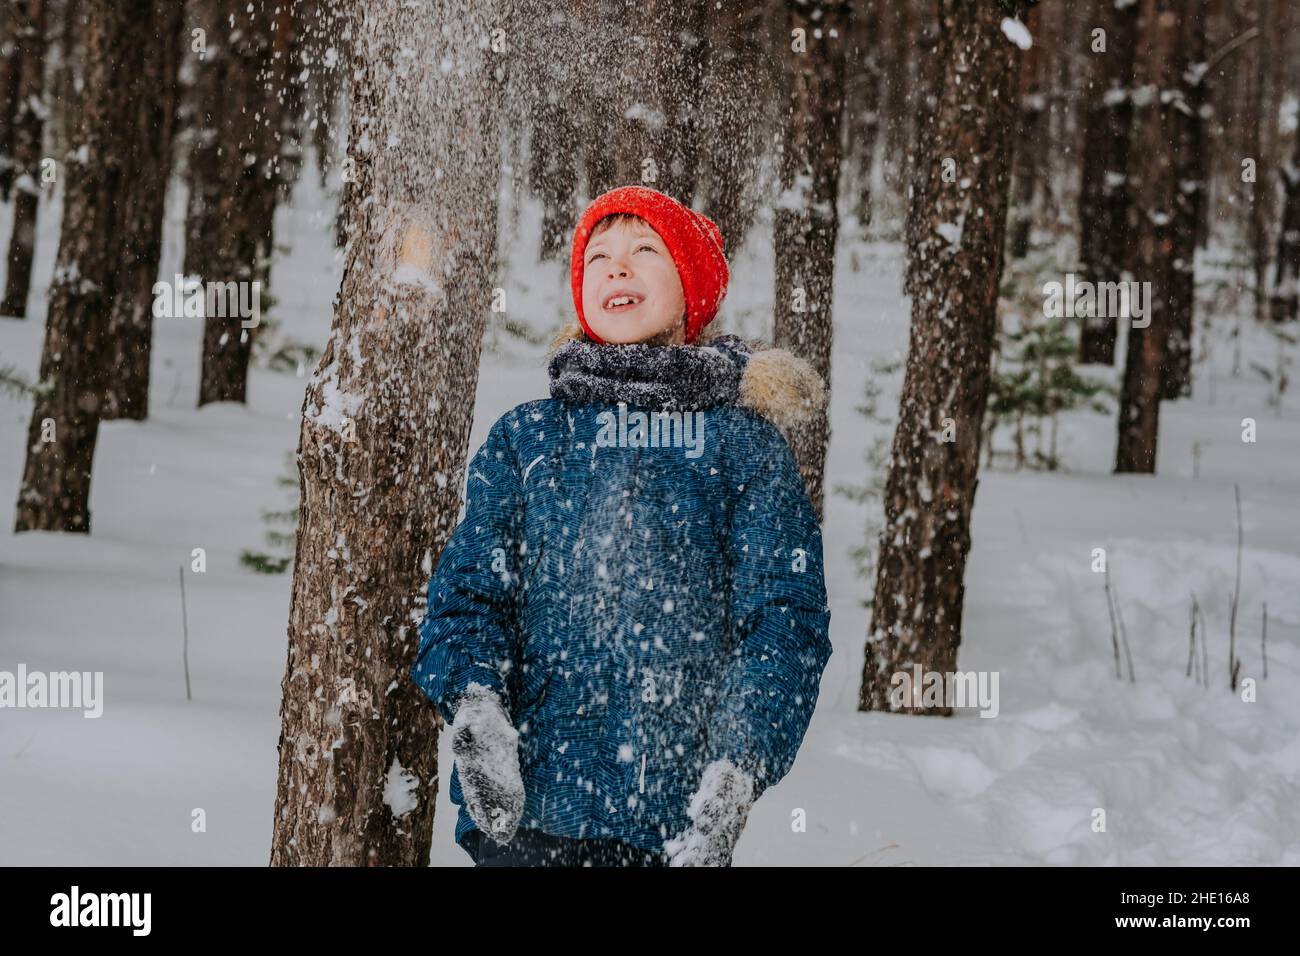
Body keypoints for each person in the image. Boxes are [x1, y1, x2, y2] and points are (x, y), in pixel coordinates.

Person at [411, 185, 832, 867]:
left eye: (645, 251)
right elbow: (467, 597)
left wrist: (737, 764)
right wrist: (478, 704)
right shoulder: (528, 438)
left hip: (671, 820)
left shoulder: (741, 446)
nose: (617, 267)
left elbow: (785, 622)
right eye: (597, 257)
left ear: (690, 288)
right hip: (529, 817)